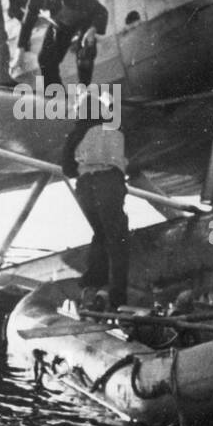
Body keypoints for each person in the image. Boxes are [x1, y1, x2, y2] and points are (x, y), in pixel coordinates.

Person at [62, 91, 128, 311]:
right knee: (117, 238)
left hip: (85, 188)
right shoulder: (113, 125)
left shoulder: (76, 132)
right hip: (108, 183)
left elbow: (67, 168)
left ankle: (92, 285)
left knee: (100, 234)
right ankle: (117, 297)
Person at [17, 0, 108, 89]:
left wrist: (93, 29)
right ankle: (56, 94)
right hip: (62, 25)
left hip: (84, 21)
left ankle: (83, 90)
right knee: (45, 59)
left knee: (85, 53)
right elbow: (27, 24)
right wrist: (20, 49)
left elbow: (101, 11)